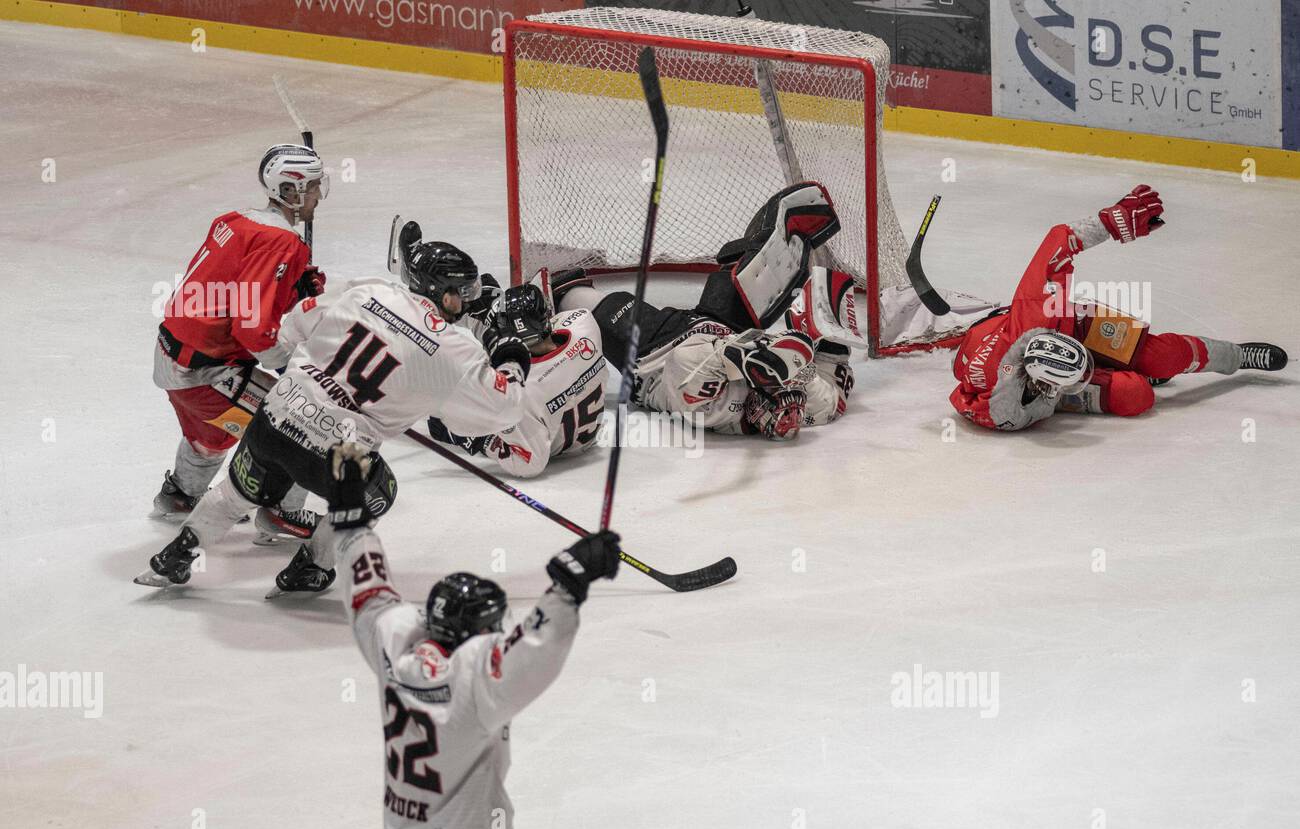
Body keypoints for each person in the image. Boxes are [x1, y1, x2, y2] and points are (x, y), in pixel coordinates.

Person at [135, 222, 528, 594]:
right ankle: (313, 566)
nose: (467, 300)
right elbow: (503, 410)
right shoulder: (455, 351)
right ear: (444, 295)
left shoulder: (367, 291)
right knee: (379, 491)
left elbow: (294, 325)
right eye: (463, 292)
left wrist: (317, 376)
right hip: (333, 455)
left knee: (236, 492)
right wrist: (510, 354)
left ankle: (174, 555)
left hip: (275, 417)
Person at [325, 441, 621, 829]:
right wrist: (568, 585)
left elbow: (370, 597)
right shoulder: (473, 676)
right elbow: (531, 651)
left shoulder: (394, 647)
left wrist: (351, 525)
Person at [949, 184, 1287, 431]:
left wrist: (1112, 221)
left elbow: (1059, 239)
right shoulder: (997, 408)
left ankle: (1236, 355)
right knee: (1135, 395)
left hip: (1072, 326)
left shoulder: (1039, 310)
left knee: (1163, 356)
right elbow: (982, 399)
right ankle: (1141, 375)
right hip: (1031, 368)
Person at [557, 183, 861, 441]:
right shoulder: (806, 399)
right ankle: (763, 244)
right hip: (720, 327)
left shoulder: (715, 409)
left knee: (575, 298)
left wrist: (750, 355)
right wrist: (830, 338)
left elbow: (684, 360)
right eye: (789, 387)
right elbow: (832, 392)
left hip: (653, 353)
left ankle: (554, 298)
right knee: (741, 274)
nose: (786, 387)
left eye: (776, 389)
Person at [152, 144, 328, 541]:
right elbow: (252, 327)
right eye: (314, 186)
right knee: (304, 422)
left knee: (212, 434)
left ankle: (182, 494)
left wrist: (289, 282)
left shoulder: (233, 220)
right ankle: (281, 513)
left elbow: (230, 289)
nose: (320, 195)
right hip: (206, 372)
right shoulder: (281, 242)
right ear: (291, 190)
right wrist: (294, 370)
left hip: (172, 356)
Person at [426, 281, 608, 476]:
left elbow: (529, 464)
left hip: (541, 441)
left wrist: (476, 439)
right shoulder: (584, 324)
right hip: (581, 433)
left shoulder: (519, 393)